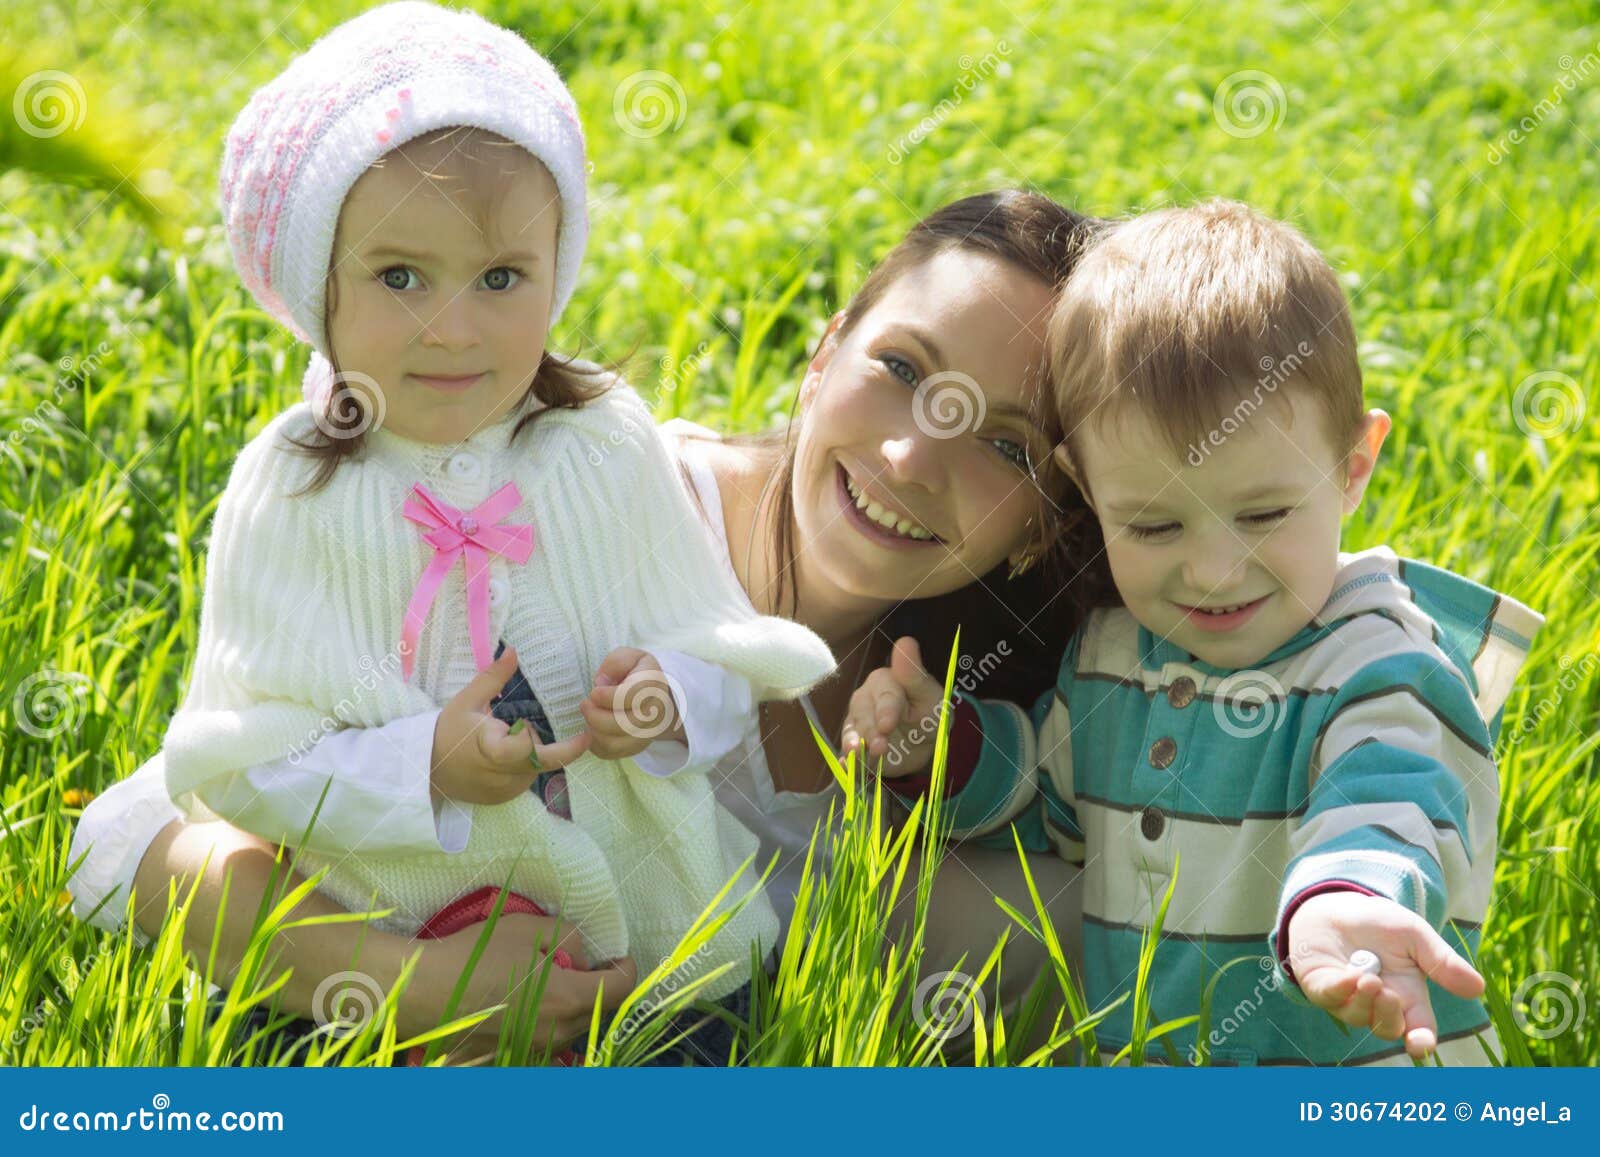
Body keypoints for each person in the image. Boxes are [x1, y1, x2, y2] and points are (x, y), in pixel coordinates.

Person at [70, 186, 1121, 1061]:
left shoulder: (970, 716)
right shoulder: (566, 513)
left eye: (1008, 447)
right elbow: (121, 838)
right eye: (901, 370)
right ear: (824, 346)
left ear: (1045, 522)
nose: (910, 457)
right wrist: (397, 981)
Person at [107, 0, 842, 1061]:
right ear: (320, 284)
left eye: (500, 278)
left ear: (559, 268)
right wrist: (427, 765)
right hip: (405, 967)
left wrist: (665, 697)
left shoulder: (600, 445)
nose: (450, 327)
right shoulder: (292, 494)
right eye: (398, 276)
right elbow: (243, 765)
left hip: (661, 958)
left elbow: (722, 650)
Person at [844, 200, 1544, 1065]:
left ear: (1353, 466)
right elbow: (1054, 811)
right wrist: (942, 748)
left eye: (1263, 513)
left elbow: (1393, 796)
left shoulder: (1381, 663)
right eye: (1154, 527)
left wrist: (1346, 894)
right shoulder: (1113, 656)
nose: (1213, 571)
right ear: (1088, 491)